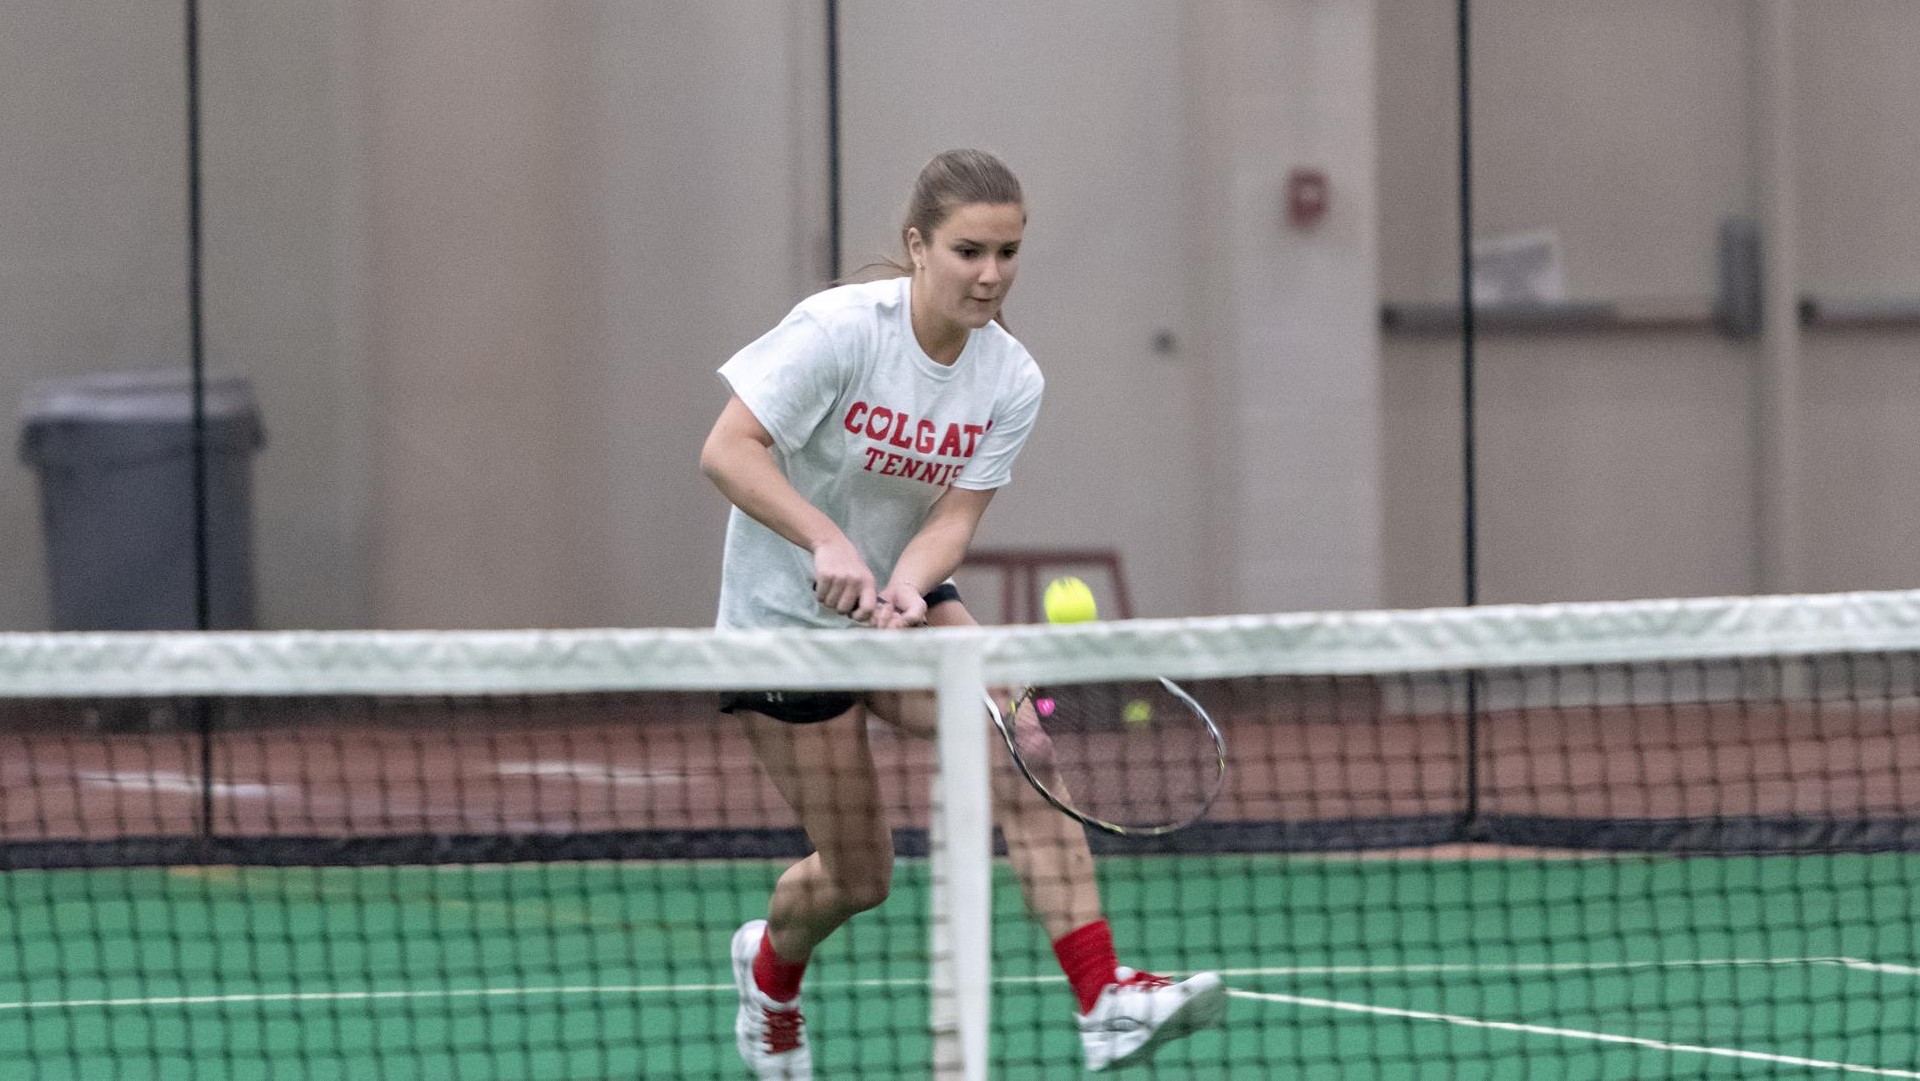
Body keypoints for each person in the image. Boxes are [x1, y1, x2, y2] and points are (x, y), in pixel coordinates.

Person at [700, 148, 1226, 1078]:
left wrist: (906, 582)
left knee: (1027, 750)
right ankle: (771, 971)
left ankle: (1103, 998)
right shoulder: (838, 331)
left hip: (901, 606)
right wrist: (825, 540)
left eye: (1009, 252)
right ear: (917, 246)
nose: (991, 274)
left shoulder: (1009, 378)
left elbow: (954, 517)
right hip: (785, 629)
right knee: (860, 875)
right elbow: (729, 451)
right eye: (969, 251)